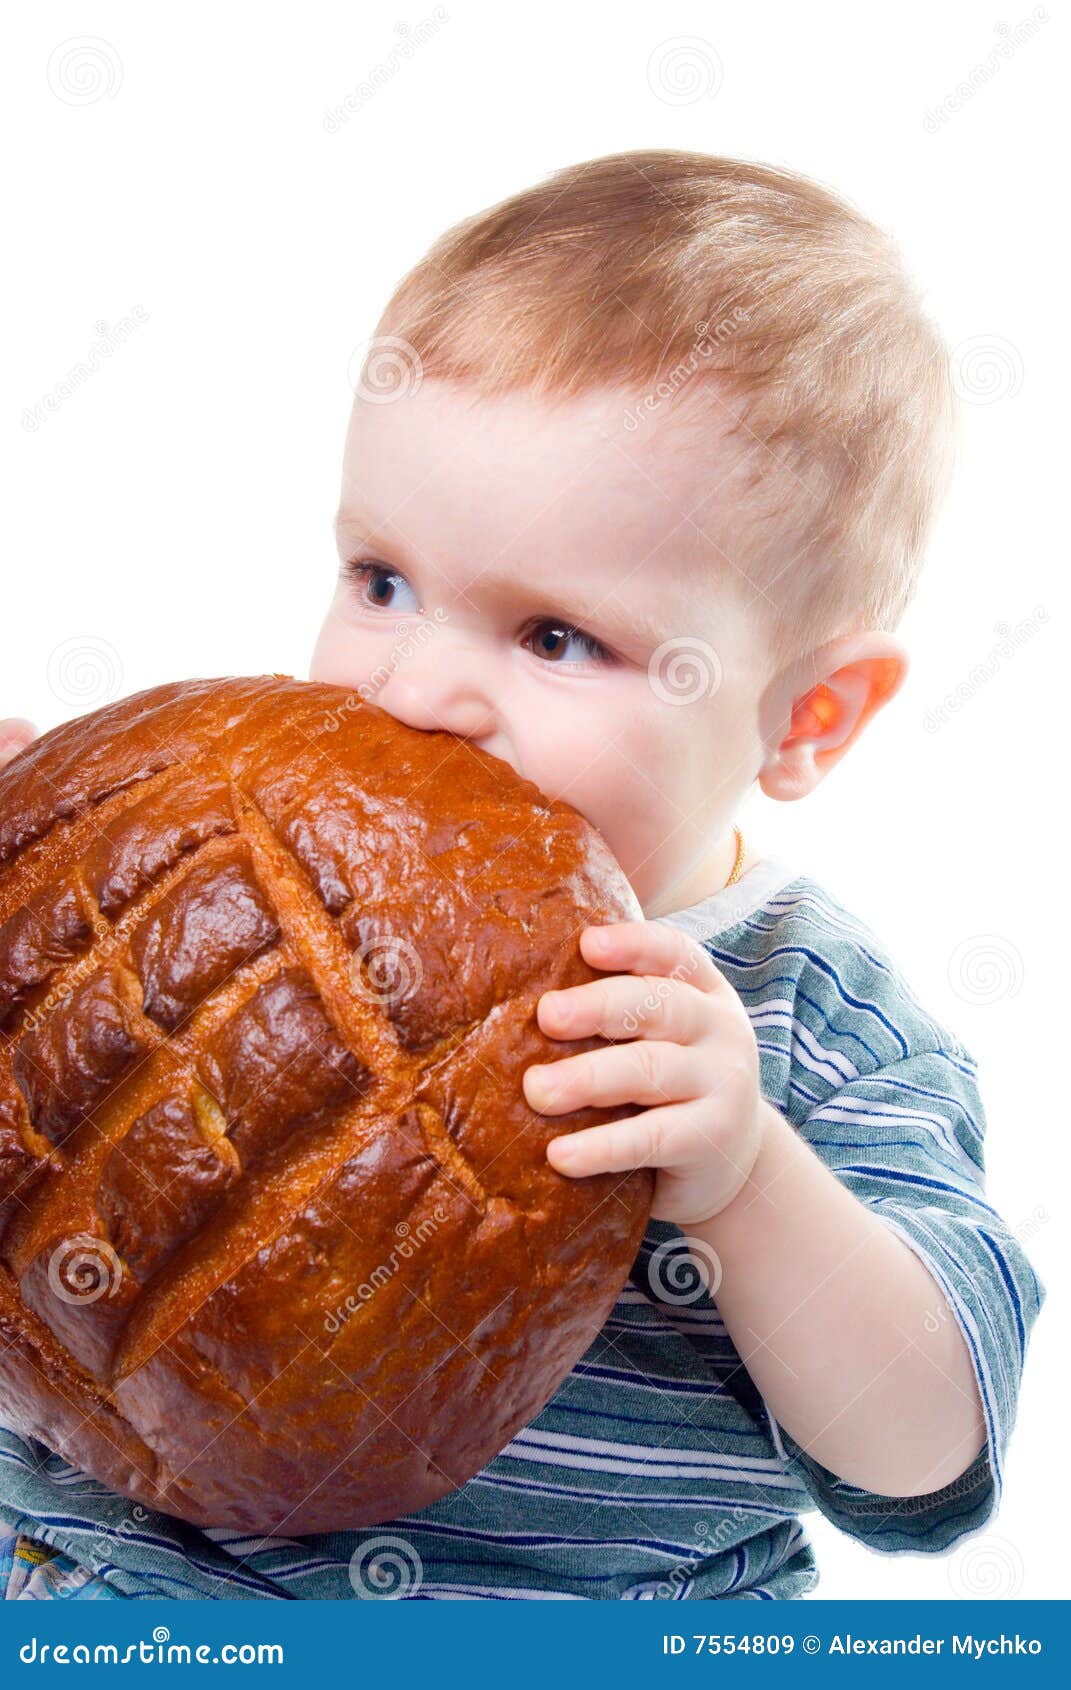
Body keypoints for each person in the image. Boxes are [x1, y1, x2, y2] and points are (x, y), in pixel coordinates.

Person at [0, 149, 1043, 1600]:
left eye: (555, 636)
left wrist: (746, 1183)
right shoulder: (211, 841)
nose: (419, 686)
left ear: (808, 713)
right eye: (382, 580)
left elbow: (926, 1457)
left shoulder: (805, 1015)